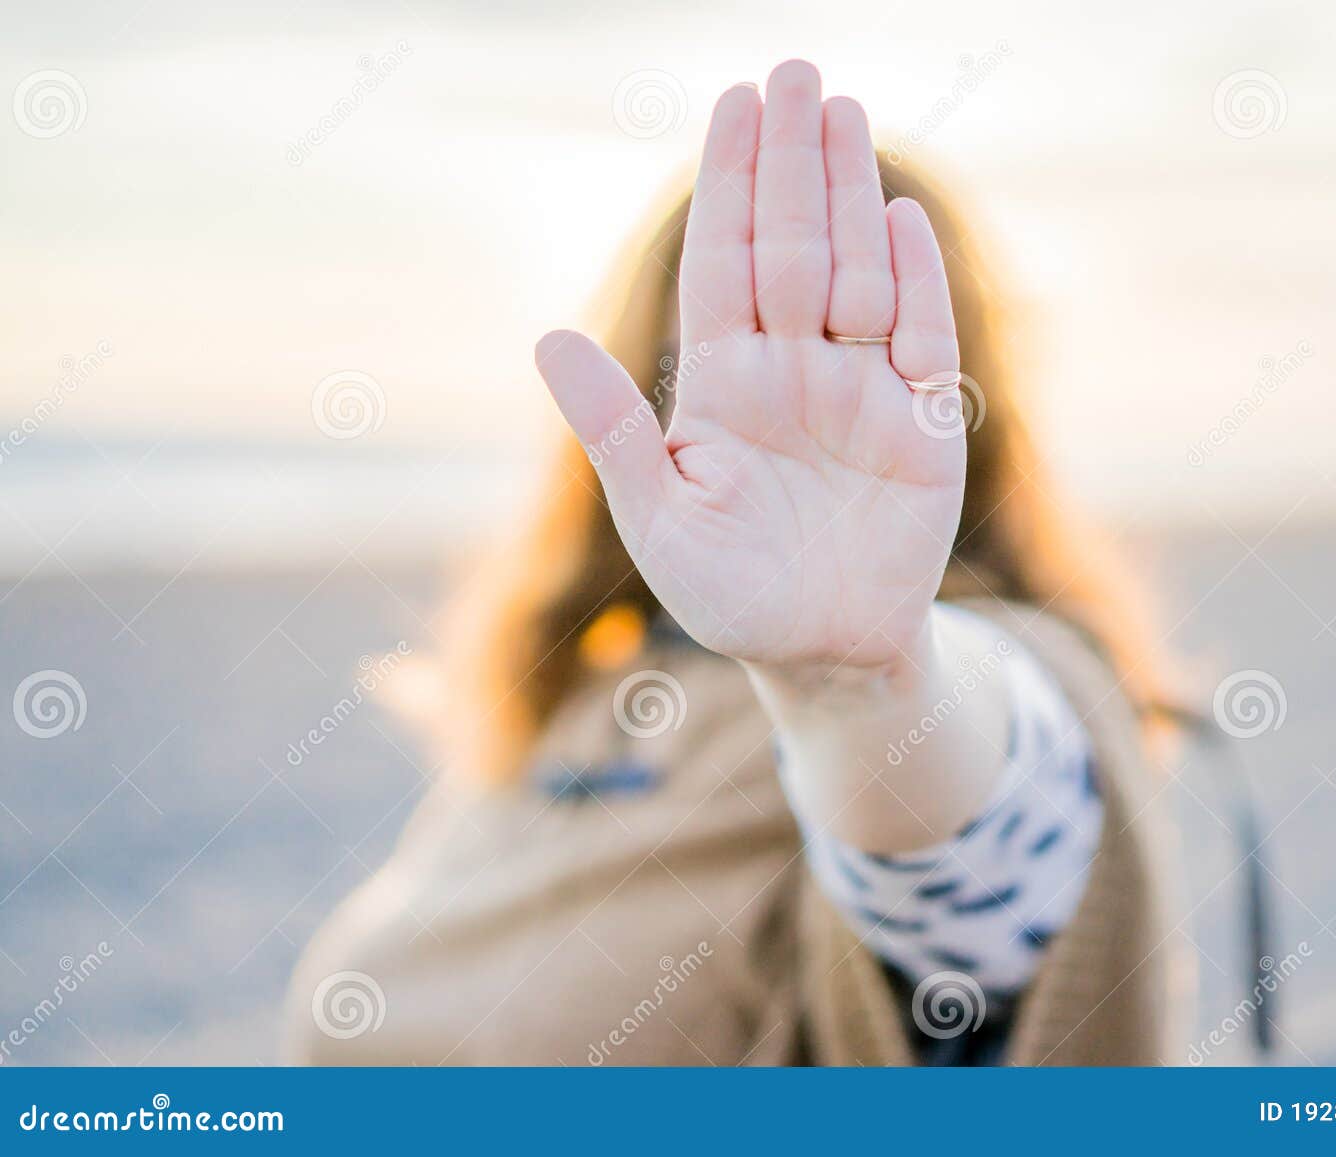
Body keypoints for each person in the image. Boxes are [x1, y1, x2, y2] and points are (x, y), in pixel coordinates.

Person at [284, 59, 1186, 1066]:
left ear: (957, 395)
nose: (787, 411)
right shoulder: (584, 684)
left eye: (851, 354)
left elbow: (994, 848)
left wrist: (856, 687)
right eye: (730, 357)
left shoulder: (1007, 671)